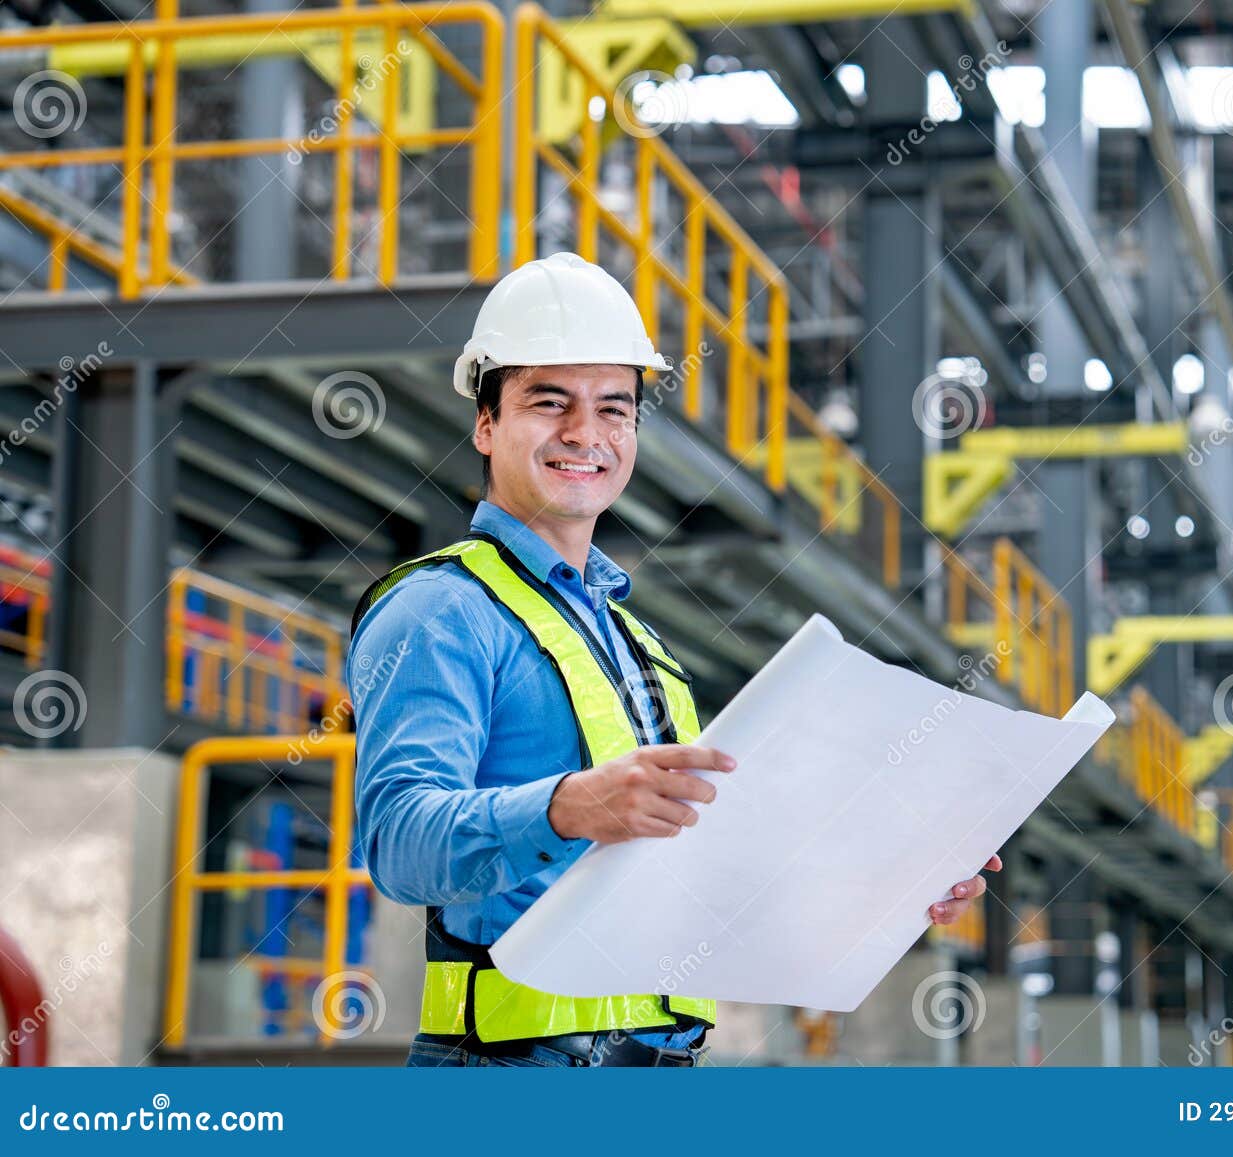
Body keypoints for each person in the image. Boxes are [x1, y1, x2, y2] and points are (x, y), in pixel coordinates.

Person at [348, 252, 1000, 1068]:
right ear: (485, 423)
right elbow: (399, 843)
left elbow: (711, 879)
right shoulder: (441, 610)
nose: (586, 433)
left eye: (613, 408)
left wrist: (892, 881)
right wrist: (566, 808)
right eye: (549, 402)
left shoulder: (642, 649)